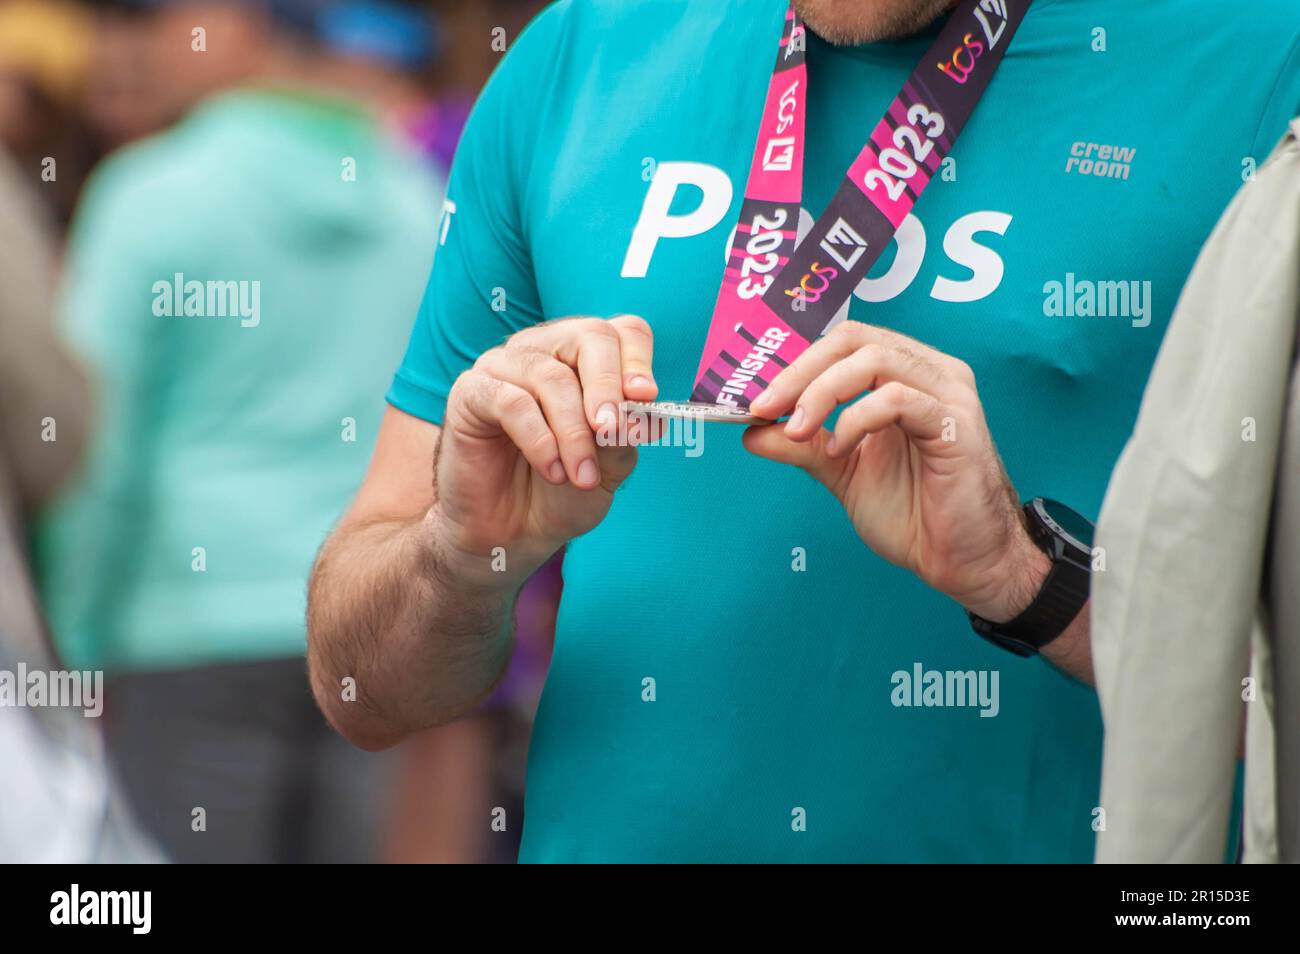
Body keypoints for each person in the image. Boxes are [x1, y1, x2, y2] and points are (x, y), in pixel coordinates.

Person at [306, 0, 1300, 862]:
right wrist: (459, 555)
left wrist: (1029, 582)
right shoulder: (576, 53)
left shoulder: (1259, 63)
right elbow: (360, 694)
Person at [35, 0, 444, 862]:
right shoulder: (412, 197)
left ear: (255, 35)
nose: (135, 49)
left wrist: (72, 632)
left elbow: (96, 445)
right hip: (357, 626)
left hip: (187, 626)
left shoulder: (153, 195)